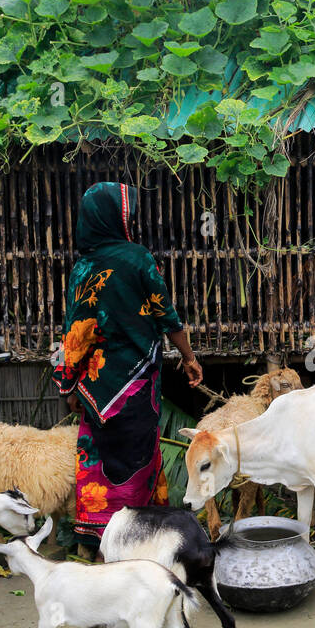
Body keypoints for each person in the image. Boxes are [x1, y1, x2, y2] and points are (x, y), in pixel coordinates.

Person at [52, 181, 202, 557]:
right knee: (138, 457)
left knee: (99, 460)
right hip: (137, 385)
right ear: (113, 217)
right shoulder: (138, 258)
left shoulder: (82, 268)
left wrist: (68, 385)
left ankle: (100, 545)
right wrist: (188, 356)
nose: (130, 218)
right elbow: (165, 314)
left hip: (96, 389)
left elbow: (76, 333)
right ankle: (139, 540)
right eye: (126, 212)